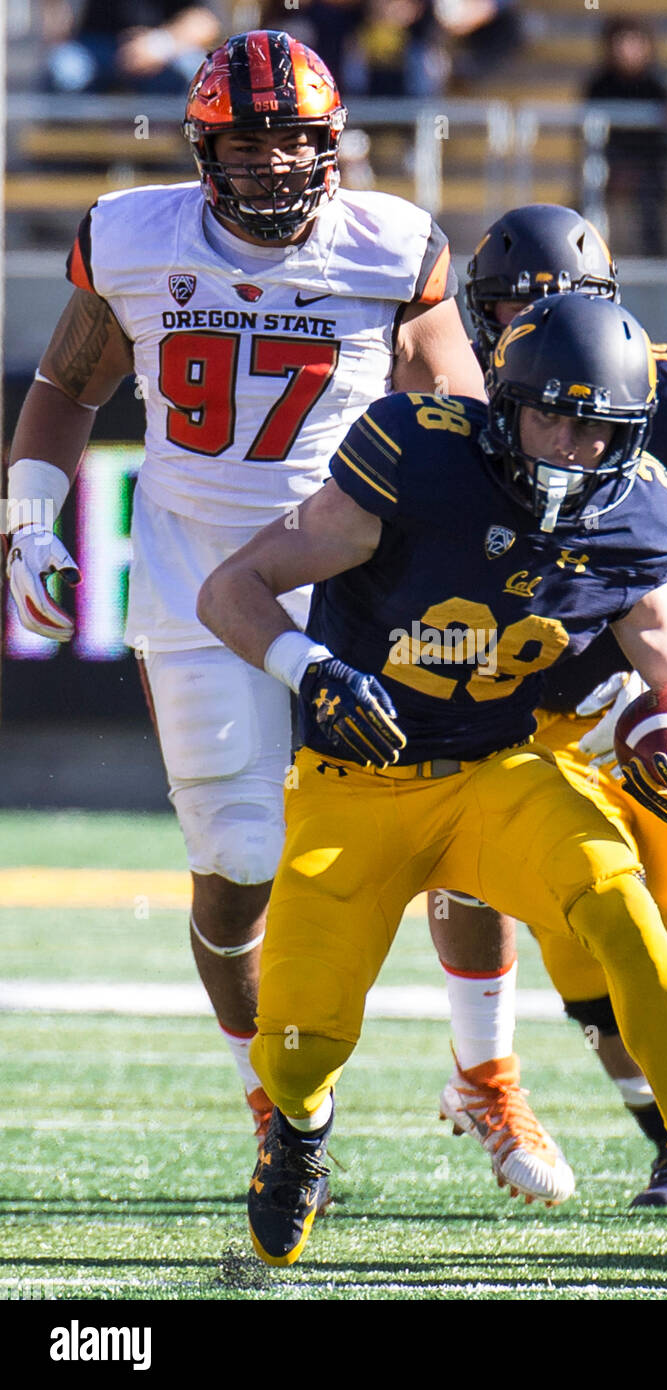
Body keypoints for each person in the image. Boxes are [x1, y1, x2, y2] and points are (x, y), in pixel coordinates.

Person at [198, 292, 667, 1272]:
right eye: (553, 415)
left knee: (623, 911)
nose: (572, 447)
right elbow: (228, 588)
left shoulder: (643, 510)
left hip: (499, 769)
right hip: (353, 781)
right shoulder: (418, 458)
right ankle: (300, 1131)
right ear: (504, 404)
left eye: (599, 427)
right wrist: (311, 668)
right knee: (299, 1043)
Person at [5, 29, 485, 1153]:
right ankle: (276, 1102)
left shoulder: (392, 245)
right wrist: (26, 518)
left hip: (356, 573)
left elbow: (454, 405)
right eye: (248, 142)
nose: (274, 163)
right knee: (234, 861)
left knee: (449, 823)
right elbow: (66, 382)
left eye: (296, 140)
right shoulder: (132, 237)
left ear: (335, 144)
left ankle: (489, 1067)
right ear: (203, 148)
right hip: (192, 574)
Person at [431, 203, 667, 1211]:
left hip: (645, 678)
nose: (516, 328)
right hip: (528, 712)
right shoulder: (460, 407)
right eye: (500, 307)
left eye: (536, 305)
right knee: (581, 940)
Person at [584, 18, 667, 257]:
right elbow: (590, 136)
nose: (625, 50)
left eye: (632, 43)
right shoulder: (599, 85)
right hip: (610, 163)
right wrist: (617, 166)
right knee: (587, 192)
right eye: (620, 43)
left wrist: (637, 168)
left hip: (649, 167)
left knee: (650, 201)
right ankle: (589, 258)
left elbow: (666, 141)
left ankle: (656, 260)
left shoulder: (660, 85)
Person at [43, 1, 222, 96]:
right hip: (97, 48)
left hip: (165, 50)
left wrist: (158, 45)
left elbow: (206, 22)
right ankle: (73, 160)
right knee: (66, 67)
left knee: (198, 71)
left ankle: (184, 158)